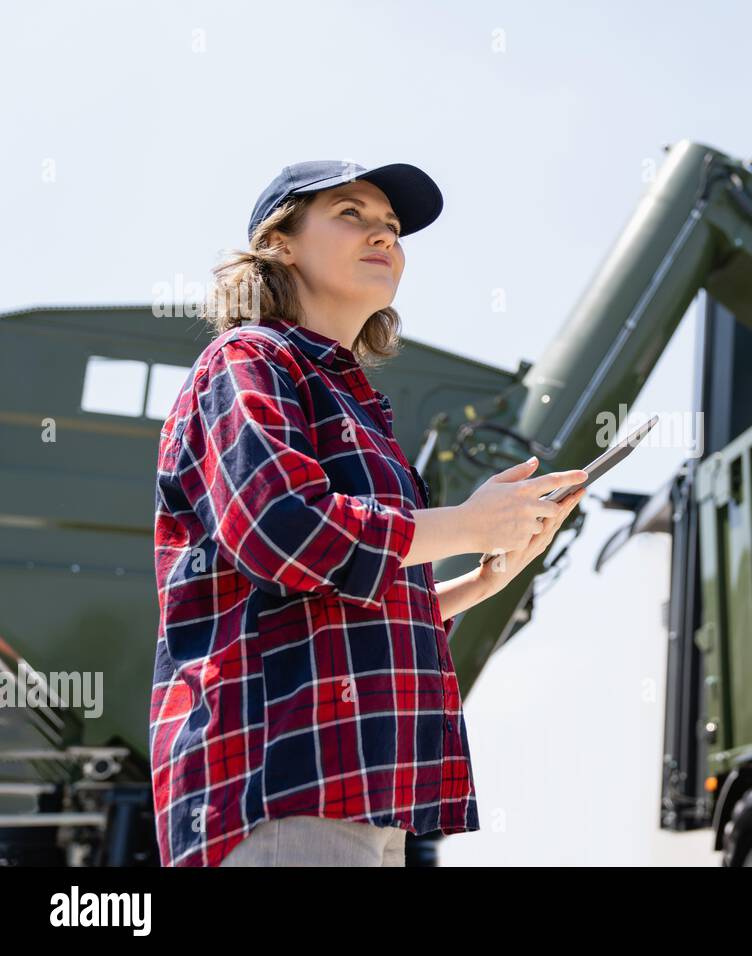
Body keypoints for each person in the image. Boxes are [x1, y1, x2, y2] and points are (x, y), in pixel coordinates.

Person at [149, 160, 586, 866]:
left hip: (363, 789)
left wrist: (478, 582)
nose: (384, 235)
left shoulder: (353, 402)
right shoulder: (248, 360)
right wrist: (473, 523)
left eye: (392, 228)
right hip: (281, 782)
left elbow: (330, 599)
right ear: (280, 243)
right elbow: (286, 532)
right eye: (352, 214)